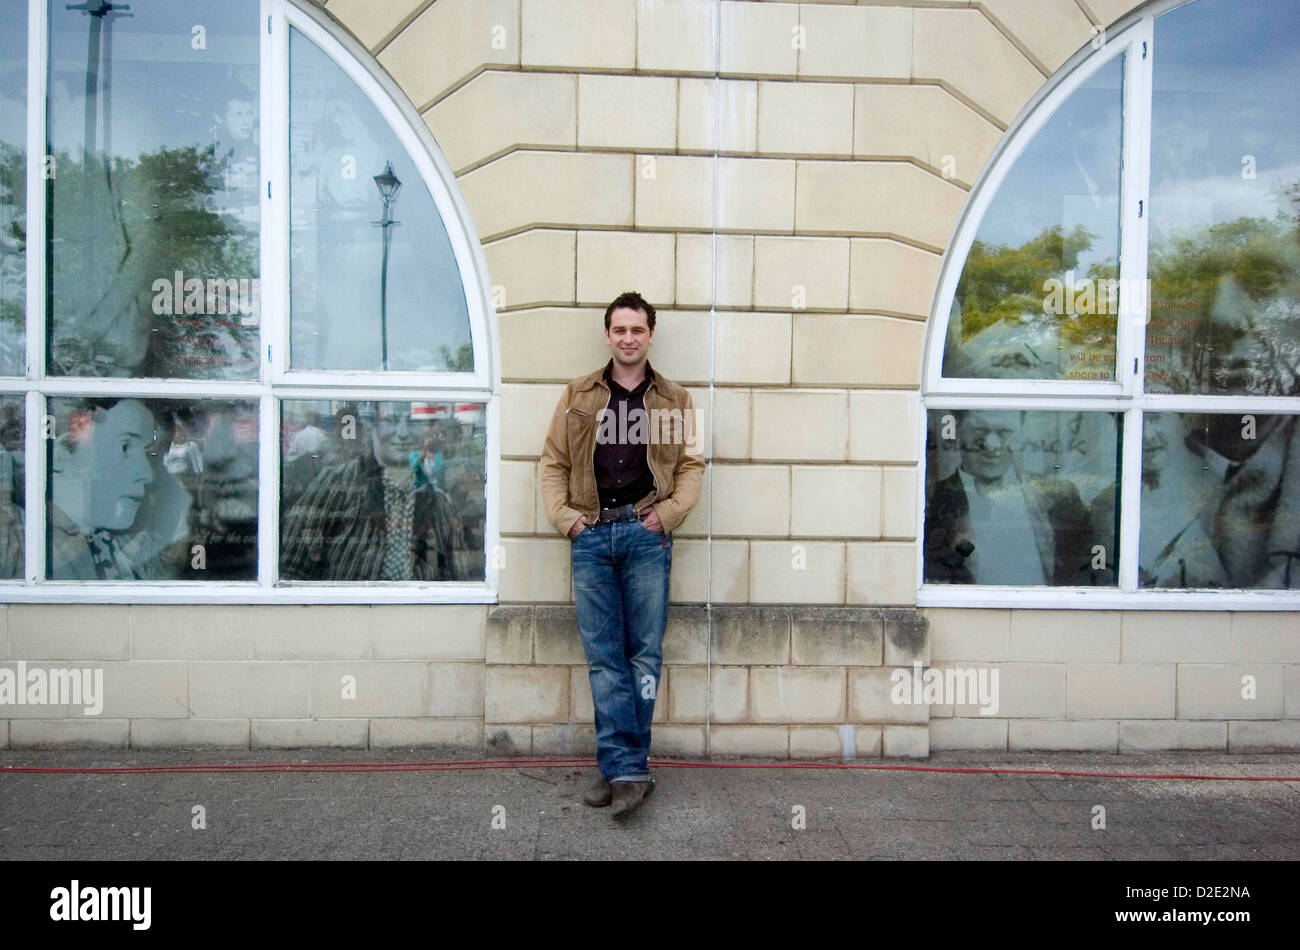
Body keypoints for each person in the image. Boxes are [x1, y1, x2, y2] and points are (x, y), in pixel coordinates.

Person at [539, 290, 704, 820]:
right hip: (591, 537)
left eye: (637, 330)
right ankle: (623, 768)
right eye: (619, 330)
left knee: (643, 654)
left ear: (650, 334)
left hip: (645, 535)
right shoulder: (579, 395)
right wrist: (568, 520)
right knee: (604, 657)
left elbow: (690, 466)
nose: (628, 338)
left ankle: (626, 769)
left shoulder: (675, 399)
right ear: (608, 335)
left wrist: (670, 514)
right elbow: (552, 463)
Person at [279, 401, 466, 581]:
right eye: (391, 420)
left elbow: (458, 582)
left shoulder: (437, 502)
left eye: (412, 422)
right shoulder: (338, 482)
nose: (401, 433)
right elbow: (290, 569)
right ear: (374, 426)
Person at [924, 409, 1095, 586]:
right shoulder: (928, 500)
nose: (992, 444)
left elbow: (1082, 567)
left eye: (1004, 432)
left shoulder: (1058, 497)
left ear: (1020, 432)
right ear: (958, 430)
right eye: (980, 431)